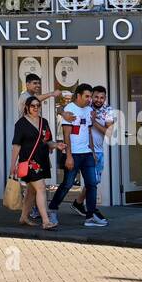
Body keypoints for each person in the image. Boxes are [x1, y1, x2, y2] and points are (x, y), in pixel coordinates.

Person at [48, 84, 105, 226]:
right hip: (74, 154)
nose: (89, 99)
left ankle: (90, 216)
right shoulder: (69, 110)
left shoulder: (89, 110)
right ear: (78, 95)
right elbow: (67, 135)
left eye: (90, 96)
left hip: (86, 154)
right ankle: (52, 210)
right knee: (67, 184)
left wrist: (92, 152)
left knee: (92, 184)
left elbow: (89, 132)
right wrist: (68, 156)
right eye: (87, 96)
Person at [11, 96, 60, 230]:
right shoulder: (21, 123)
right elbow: (16, 145)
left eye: (38, 105)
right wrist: (12, 166)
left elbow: (47, 141)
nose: (36, 108)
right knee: (41, 188)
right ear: (27, 107)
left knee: (32, 192)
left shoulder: (43, 122)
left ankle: (24, 217)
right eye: (33, 106)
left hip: (42, 160)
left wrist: (57, 145)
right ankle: (46, 221)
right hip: (29, 162)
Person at [81, 85, 116, 224]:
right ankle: (92, 211)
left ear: (105, 98)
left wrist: (93, 121)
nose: (98, 100)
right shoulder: (85, 107)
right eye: (96, 97)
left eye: (102, 97)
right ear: (91, 96)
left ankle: (78, 203)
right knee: (73, 183)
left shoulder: (108, 110)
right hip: (83, 150)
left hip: (98, 152)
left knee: (93, 182)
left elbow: (109, 133)